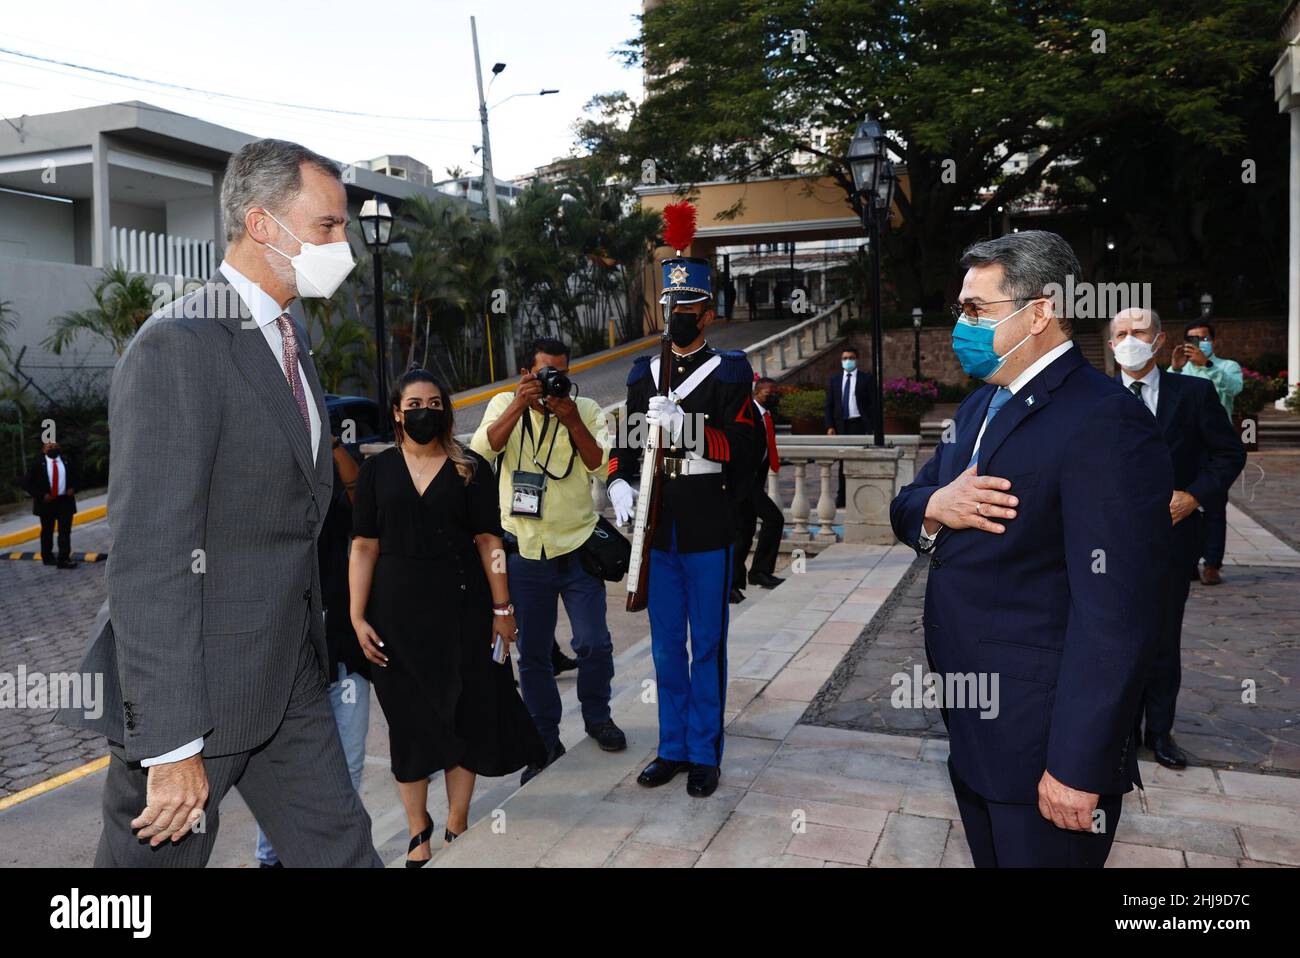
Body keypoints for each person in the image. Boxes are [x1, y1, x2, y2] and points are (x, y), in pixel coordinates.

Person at [54, 138, 381, 867]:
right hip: (197, 696)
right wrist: (171, 744)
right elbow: (148, 555)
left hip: (289, 675)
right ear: (264, 224)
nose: (342, 243)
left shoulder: (290, 333)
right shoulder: (179, 344)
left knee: (343, 852)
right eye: (327, 227)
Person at [890, 230, 1172, 867]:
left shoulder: (1105, 419)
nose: (960, 324)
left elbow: (1117, 612)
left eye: (976, 310)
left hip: (1042, 741)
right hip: (975, 722)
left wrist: (1078, 764)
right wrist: (936, 507)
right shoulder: (981, 403)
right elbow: (909, 501)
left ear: (1040, 311)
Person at [349, 368, 544, 866]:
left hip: (463, 613)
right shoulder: (376, 472)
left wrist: (503, 607)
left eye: (434, 403)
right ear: (397, 411)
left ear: (446, 410)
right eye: (414, 403)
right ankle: (418, 830)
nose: (424, 412)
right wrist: (356, 615)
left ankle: (457, 820)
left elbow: (490, 542)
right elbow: (364, 546)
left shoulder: (470, 467)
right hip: (392, 618)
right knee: (407, 723)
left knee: (463, 714)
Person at [607, 250, 754, 798]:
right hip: (657, 522)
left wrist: (686, 429)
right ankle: (671, 747)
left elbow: (744, 446)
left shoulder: (731, 371)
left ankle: (703, 750)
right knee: (666, 644)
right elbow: (624, 437)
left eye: (687, 303)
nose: (677, 312)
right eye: (670, 301)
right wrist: (618, 480)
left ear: (708, 312)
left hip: (707, 521)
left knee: (708, 644)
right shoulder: (644, 371)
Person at [470, 337, 626, 786]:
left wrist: (571, 416)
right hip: (524, 550)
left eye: (561, 373)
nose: (554, 381)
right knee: (534, 654)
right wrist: (519, 406)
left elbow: (600, 465)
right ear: (526, 374)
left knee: (594, 642)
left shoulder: (588, 409)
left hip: (577, 548)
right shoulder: (504, 402)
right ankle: (544, 740)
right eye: (544, 374)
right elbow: (482, 452)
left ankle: (598, 717)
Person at [1110, 308, 1245, 771]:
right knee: (1114, 639)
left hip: (1172, 541)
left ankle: (1160, 732)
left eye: (1139, 331)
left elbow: (1228, 454)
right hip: (1106, 547)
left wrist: (1194, 496)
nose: (1130, 340)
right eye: (1121, 334)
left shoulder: (1195, 393)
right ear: (1110, 345)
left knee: (1163, 638)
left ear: (1159, 338)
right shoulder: (1094, 397)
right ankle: (1120, 733)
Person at [254, 432, 372, 867]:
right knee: (286, 775)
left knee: (349, 766)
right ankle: (272, 859)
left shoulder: (336, 508)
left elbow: (357, 494)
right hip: (287, 663)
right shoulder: (264, 511)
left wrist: (329, 430)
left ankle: (330, 851)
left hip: (343, 655)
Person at [1168, 321, 1243, 586]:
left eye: (1202, 338)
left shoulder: (1226, 366)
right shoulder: (1180, 370)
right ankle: (1188, 562)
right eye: (1192, 338)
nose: (1198, 342)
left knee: (1214, 505)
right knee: (1181, 504)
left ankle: (1212, 564)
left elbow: (1234, 389)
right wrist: (1175, 368)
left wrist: (1206, 366)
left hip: (1214, 444)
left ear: (1212, 340)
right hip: (1186, 446)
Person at [731, 376, 784, 603]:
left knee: (744, 533)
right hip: (743, 482)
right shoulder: (749, 413)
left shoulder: (766, 415)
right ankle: (757, 572)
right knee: (774, 519)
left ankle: (738, 582)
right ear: (757, 392)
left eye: (775, 393)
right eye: (768, 393)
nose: (773, 397)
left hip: (754, 481)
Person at [824, 345, 875, 507]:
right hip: (841, 425)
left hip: (859, 424)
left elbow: (873, 404)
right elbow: (829, 405)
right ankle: (842, 496)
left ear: (856, 359)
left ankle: (861, 494)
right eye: (845, 358)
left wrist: (873, 426)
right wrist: (830, 426)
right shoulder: (835, 380)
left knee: (860, 459)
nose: (848, 361)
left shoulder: (866, 379)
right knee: (842, 461)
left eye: (851, 358)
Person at [21, 440, 79, 569]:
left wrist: (73, 488)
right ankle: (47, 557)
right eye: (49, 447)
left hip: (65, 501)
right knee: (47, 531)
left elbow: (78, 477)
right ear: (44, 450)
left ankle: (63, 559)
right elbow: (26, 483)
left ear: (59, 448)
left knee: (65, 532)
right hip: (46, 503)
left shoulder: (67, 461)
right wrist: (41, 495)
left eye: (55, 446)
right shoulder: (37, 464)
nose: (52, 448)